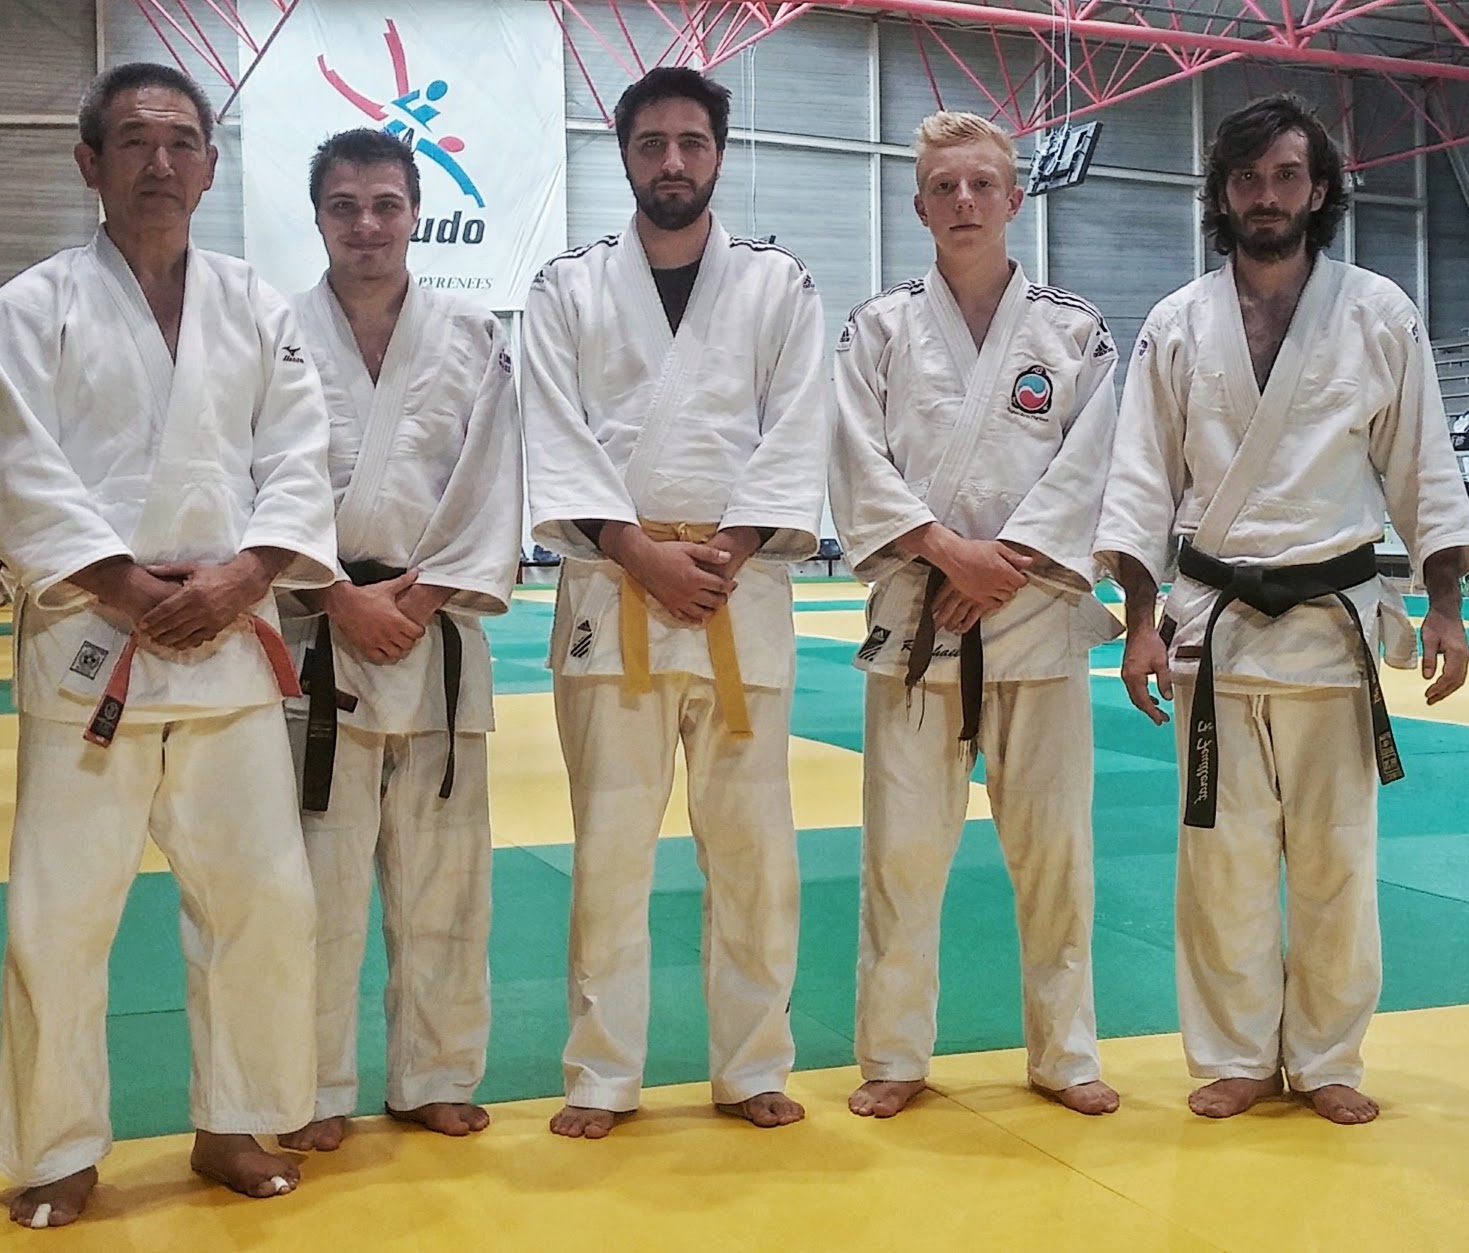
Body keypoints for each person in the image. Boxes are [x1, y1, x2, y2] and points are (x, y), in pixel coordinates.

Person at [0, 63, 338, 1228]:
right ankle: (59, 1144)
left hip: (227, 643)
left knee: (262, 898)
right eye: (133, 141)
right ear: (91, 163)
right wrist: (129, 583)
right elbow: (17, 469)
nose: (160, 161)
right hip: (94, 645)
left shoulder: (256, 306)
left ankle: (234, 1118)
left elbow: (297, 456)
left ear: (211, 168)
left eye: (181, 142)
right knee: (61, 911)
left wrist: (244, 572)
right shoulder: (32, 307)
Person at [1093, 94, 1469, 1126]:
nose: (1266, 195)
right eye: (1247, 177)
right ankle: (1231, 1053)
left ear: (1317, 191)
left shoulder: (1377, 313)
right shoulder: (1176, 322)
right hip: (1210, 625)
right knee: (1215, 861)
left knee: (1335, 859)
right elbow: (1136, 481)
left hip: (1328, 623)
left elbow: (1421, 469)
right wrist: (1136, 618)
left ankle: (1325, 1055)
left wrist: (1443, 605)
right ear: (1220, 192)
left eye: (1285, 177)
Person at [520, 66, 828, 1139]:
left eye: (690, 143)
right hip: (615, 590)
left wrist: (726, 547)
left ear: (718, 152)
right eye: (651, 143)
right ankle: (601, 1072)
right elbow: (551, 430)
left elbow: (797, 427)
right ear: (623, 153)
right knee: (608, 847)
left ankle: (751, 1063)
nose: (671, 162)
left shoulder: (777, 284)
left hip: (739, 596)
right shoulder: (566, 286)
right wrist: (640, 553)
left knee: (753, 849)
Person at [829, 111, 1122, 1121]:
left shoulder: (1071, 330)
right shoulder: (876, 328)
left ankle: (1065, 1050)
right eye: (943, 188)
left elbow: (1094, 460)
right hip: (917, 616)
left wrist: (1007, 561)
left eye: (979, 185)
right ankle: (895, 1053)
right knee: (901, 852)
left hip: (1035, 617)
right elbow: (853, 458)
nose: (961, 202)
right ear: (917, 205)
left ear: (1013, 197)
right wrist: (947, 550)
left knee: (1054, 852)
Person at [275, 129, 521, 1155]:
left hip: (435, 626)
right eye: (344, 205)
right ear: (320, 215)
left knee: (445, 879)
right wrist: (336, 593)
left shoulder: (471, 335)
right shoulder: (274, 334)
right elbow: (259, 478)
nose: (365, 224)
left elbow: (498, 476)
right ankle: (311, 1081)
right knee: (314, 885)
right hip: (315, 631)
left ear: (416, 212)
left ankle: (431, 1074)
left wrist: (421, 598)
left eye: (384, 203)